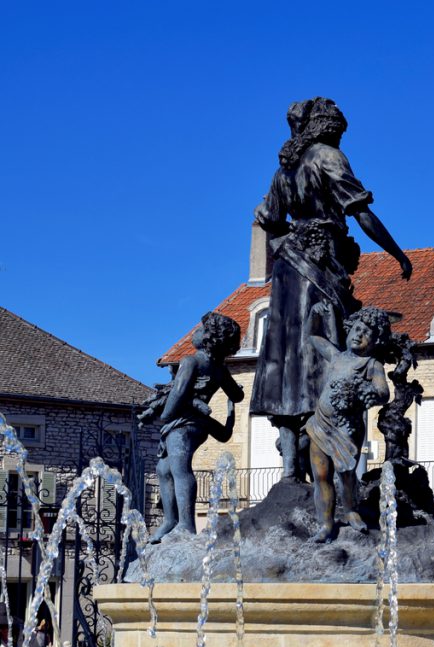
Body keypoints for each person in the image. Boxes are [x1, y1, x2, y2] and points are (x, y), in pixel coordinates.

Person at [251, 97, 412, 484]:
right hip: (320, 268)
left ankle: (291, 473)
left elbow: (268, 222)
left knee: (289, 359)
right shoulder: (328, 157)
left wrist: (288, 244)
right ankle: (338, 474)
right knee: (324, 356)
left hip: (288, 271)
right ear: (327, 128)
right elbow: (361, 212)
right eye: (338, 129)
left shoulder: (282, 171)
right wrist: (397, 253)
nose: (341, 136)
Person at [142, 312, 243, 543]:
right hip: (198, 426)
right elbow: (236, 395)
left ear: (209, 338)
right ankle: (170, 521)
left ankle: (186, 525)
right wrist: (228, 405)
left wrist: (165, 415)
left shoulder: (190, 361)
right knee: (163, 470)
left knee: (179, 469)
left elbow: (177, 395)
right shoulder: (219, 369)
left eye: (200, 329)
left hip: (182, 424)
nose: (195, 333)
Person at [304, 305, 392, 543]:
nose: (358, 334)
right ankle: (326, 524)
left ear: (375, 341)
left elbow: (383, 393)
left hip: (347, 426)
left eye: (366, 333)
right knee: (320, 474)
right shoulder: (336, 356)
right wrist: (314, 314)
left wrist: (365, 391)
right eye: (356, 329)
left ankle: (351, 510)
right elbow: (314, 337)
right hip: (321, 422)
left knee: (345, 473)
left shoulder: (372, 364)